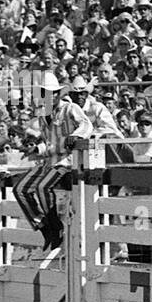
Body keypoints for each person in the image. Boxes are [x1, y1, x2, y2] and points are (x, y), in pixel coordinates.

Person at [13, 78, 92, 255]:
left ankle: (55, 227)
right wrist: (37, 148)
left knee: (42, 187)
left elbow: (86, 125)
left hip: (67, 160)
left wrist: (76, 135)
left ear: (59, 94)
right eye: (48, 93)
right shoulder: (44, 115)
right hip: (50, 159)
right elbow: (49, 142)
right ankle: (44, 227)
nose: (52, 96)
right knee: (20, 189)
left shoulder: (70, 108)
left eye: (54, 93)